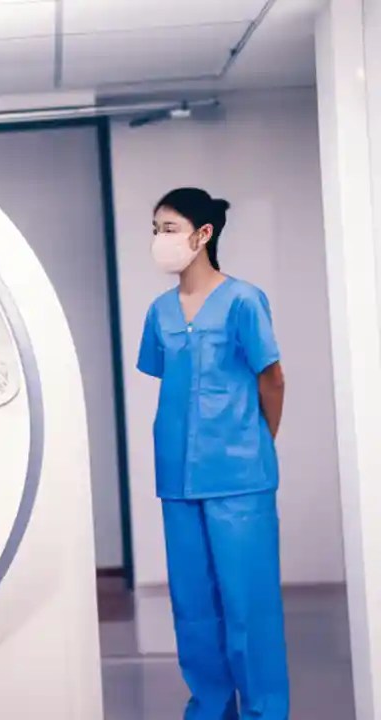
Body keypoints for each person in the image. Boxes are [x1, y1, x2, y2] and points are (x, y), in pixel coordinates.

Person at [136, 187, 288, 719]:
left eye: (170, 228)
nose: (160, 239)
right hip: (178, 479)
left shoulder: (244, 300)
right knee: (194, 611)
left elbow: (272, 378)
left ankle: (265, 712)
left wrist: (258, 443)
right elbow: (167, 381)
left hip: (241, 478)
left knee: (249, 608)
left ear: (203, 235)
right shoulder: (159, 311)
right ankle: (209, 709)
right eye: (155, 229)